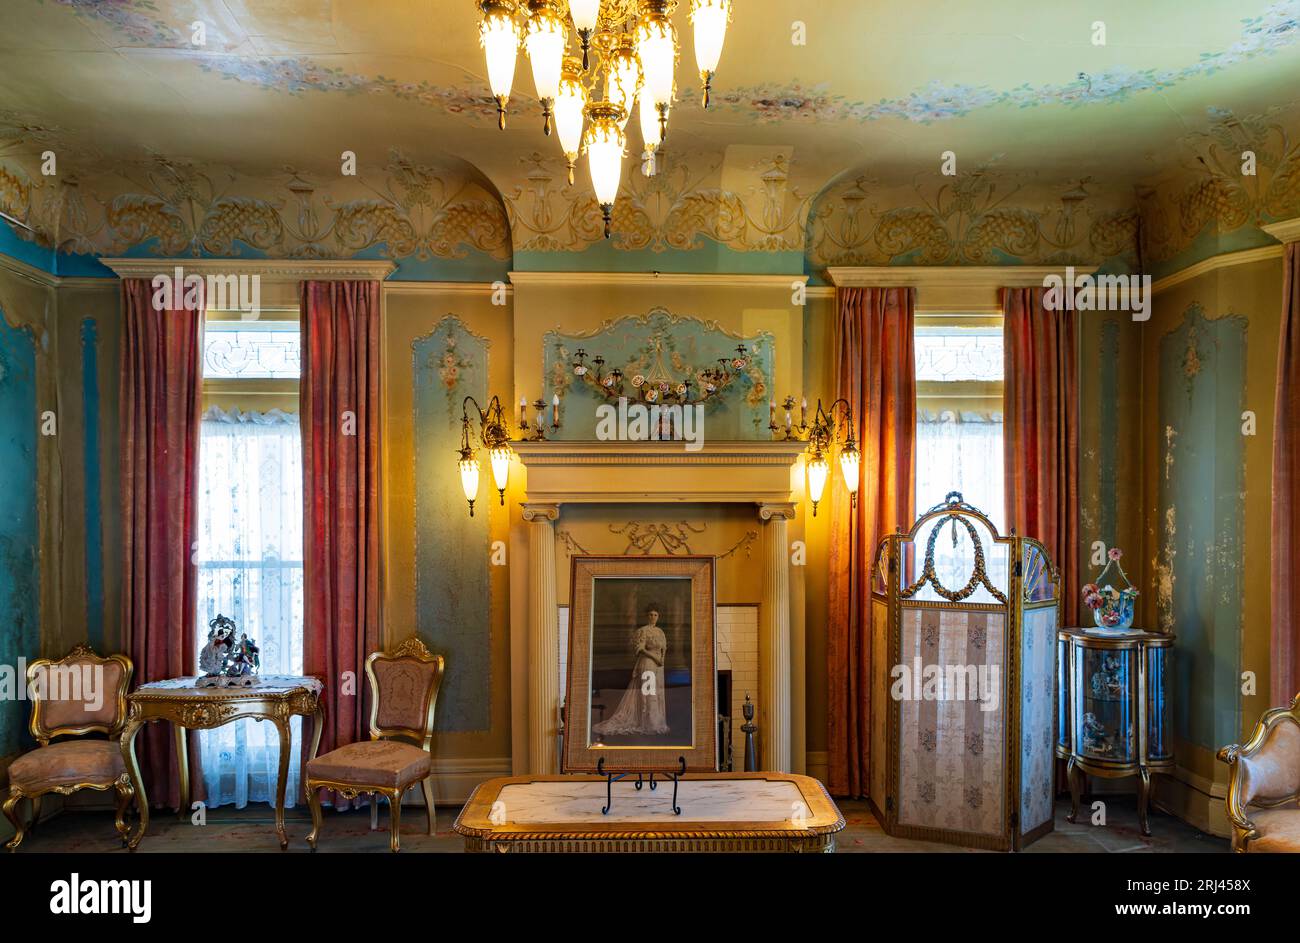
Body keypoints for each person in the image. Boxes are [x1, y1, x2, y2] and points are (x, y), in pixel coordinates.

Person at [593, 604, 669, 736]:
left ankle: (655, 721)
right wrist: (655, 659)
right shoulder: (643, 631)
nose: (653, 617)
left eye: (655, 615)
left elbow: (664, 648)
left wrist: (661, 659)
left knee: (656, 692)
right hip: (647, 663)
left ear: (658, 616)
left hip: (659, 666)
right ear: (647, 616)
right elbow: (640, 649)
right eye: (650, 615)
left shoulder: (660, 632)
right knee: (648, 692)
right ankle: (648, 723)